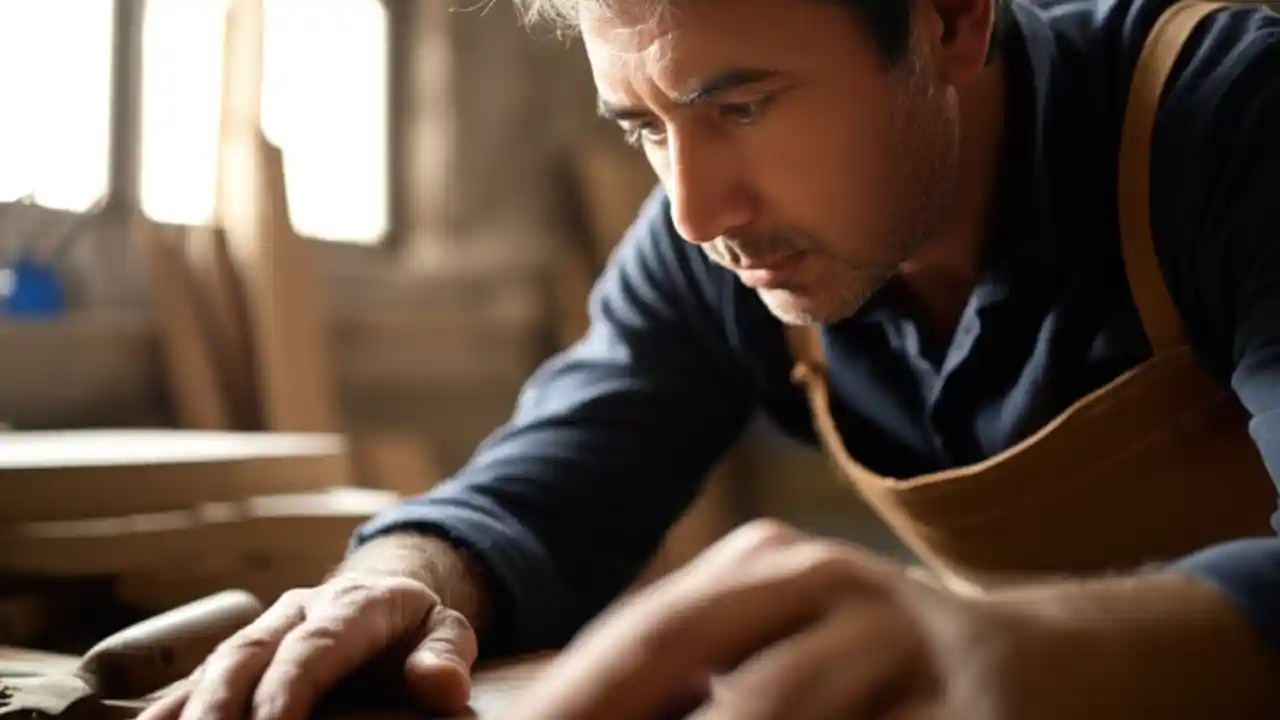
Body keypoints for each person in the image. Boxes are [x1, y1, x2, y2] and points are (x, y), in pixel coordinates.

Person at [141, 0, 1280, 717]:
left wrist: (1002, 650)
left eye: (736, 106)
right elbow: (545, 487)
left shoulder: (1233, 120)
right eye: (641, 127)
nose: (691, 210)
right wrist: (395, 586)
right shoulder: (719, 245)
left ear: (947, 21)